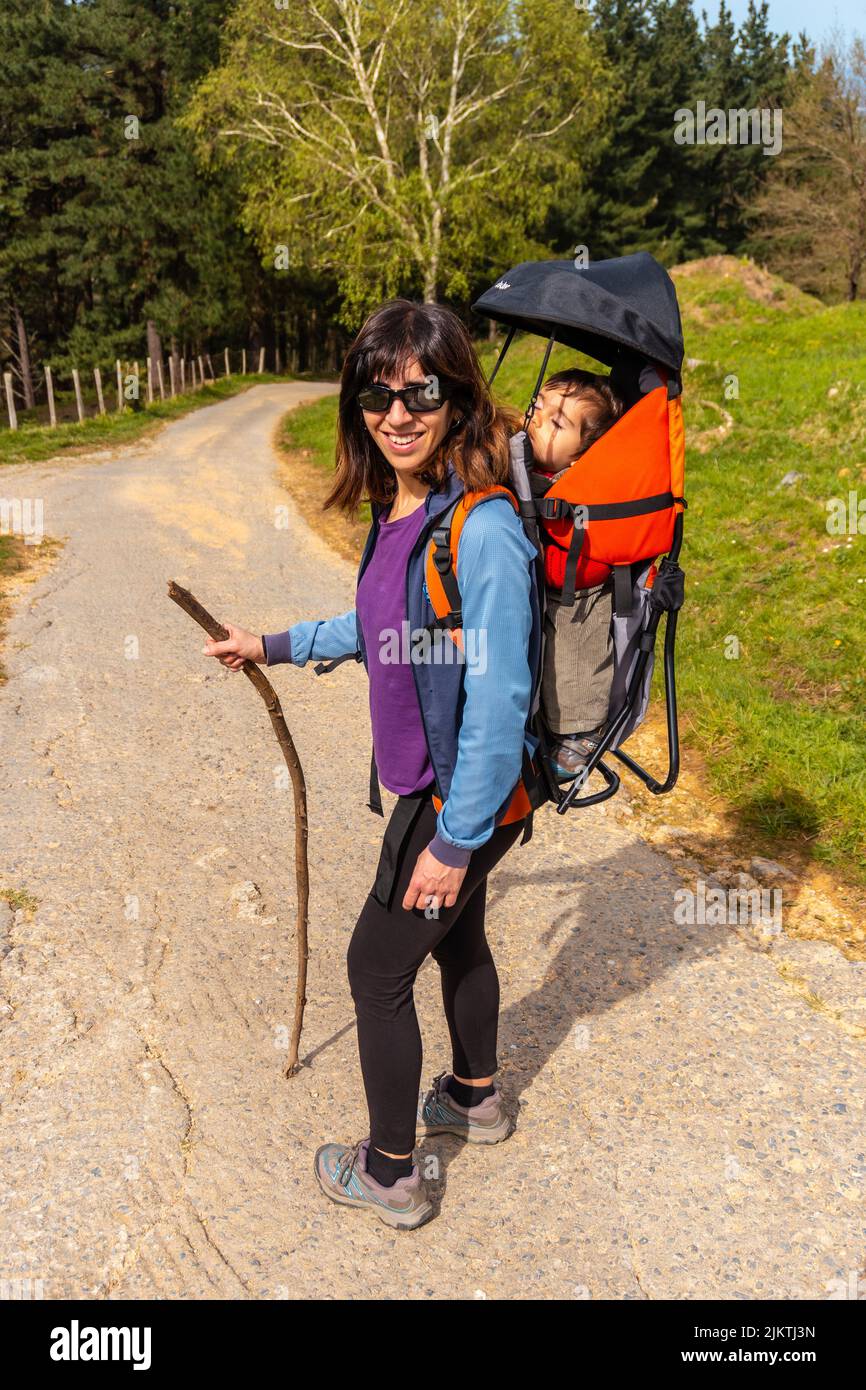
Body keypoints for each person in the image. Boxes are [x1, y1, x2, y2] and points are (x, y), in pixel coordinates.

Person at [201, 299, 541, 1230]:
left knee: (375, 970)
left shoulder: (482, 530)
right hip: (456, 798)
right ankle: (474, 1098)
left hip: (462, 797)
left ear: (457, 397)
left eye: (421, 392)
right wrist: (272, 643)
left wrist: (456, 839)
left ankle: (391, 1169)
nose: (398, 414)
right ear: (356, 405)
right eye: (377, 395)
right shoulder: (407, 513)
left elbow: (503, 698)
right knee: (458, 937)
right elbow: (382, 624)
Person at [525, 368, 624, 780]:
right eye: (538, 407)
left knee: (573, 657)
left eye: (557, 422)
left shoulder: (582, 487)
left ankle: (583, 730)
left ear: (582, 455)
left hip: (577, 596)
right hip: (541, 593)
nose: (537, 420)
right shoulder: (524, 459)